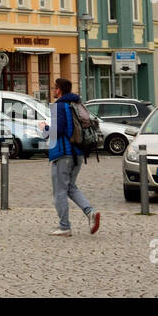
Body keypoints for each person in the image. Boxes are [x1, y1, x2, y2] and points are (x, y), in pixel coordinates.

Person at [43, 77, 101, 237]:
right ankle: (90, 212)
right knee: (71, 187)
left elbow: (59, 130)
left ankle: (64, 227)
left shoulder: (59, 106)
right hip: (78, 153)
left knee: (60, 191)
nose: (53, 90)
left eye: (55, 87)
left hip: (63, 153)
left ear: (59, 90)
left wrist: (45, 129)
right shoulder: (76, 104)